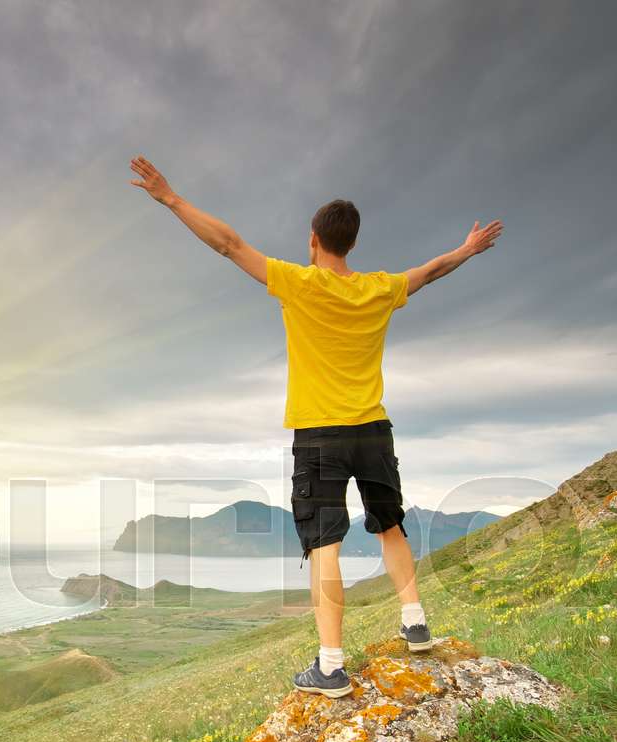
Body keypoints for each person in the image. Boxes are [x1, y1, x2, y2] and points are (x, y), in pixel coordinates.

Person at [129, 154, 503, 697]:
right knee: (390, 526)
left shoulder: (298, 284)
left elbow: (228, 244)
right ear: (351, 242)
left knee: (325, 545)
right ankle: (415, 622)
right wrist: (467, 250)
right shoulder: (379, 289)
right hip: (373, 430)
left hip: (320, 436)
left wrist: (171, 198)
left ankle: (331, 666)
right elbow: (431, 270)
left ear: (313, 240)